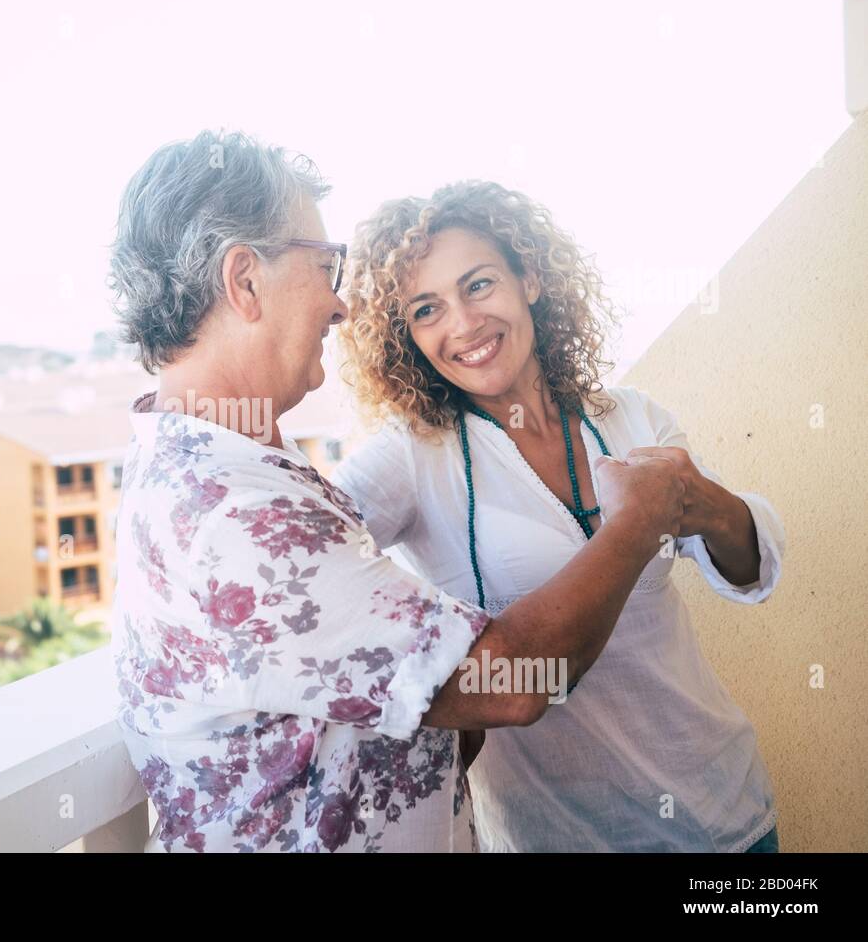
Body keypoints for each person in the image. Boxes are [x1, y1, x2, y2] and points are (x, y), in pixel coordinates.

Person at [107, 132, 684, 852]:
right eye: (325, 265)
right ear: (245, 281)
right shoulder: (232, 516)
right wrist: (636, 524)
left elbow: (365, 687)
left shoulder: (227, 464)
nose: (340, 303)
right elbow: (512, 685)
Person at [333, 180, 784, 851]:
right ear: (408, 337)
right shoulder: (409, 457)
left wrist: (700, 500)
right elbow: (308, 565)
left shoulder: (629, 415)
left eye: (479, 285)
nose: (463, 324)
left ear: (531, 278)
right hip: (560, 836)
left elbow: (746, 572)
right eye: (427, 309)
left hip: (724, 815)